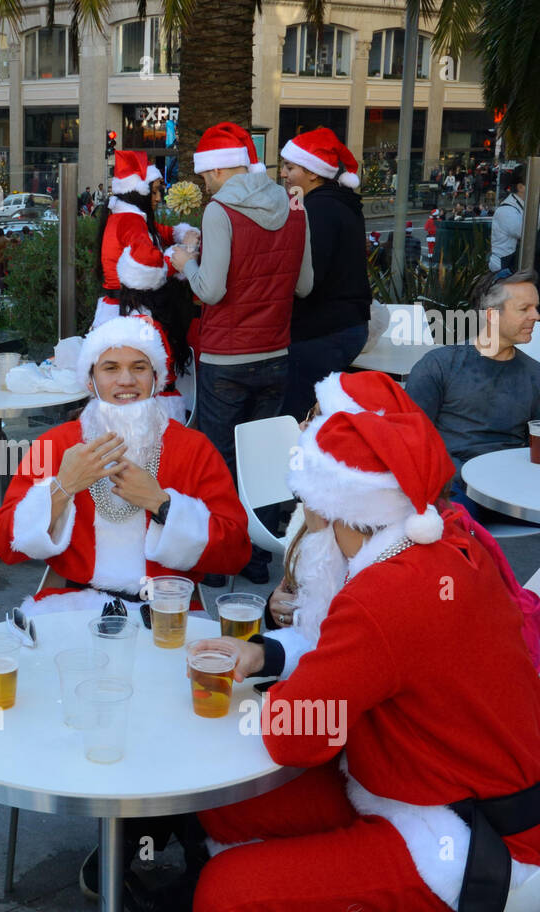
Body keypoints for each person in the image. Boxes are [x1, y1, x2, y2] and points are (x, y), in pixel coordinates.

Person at [187, 407, 540, 912]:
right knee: (225, 805)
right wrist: (275, 655)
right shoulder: (447, 536)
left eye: (307, 502)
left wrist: (284, 691)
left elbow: (295, 735)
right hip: (451, 785)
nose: (305, 519)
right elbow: (370, 666)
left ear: (336, 506)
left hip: (465, 840)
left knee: (225, 894)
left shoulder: (380, 596)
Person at [0, 316, 251, 616]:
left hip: (166, 607)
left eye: (138, 367)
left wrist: (160, 503)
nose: (126, 380)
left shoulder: (194, 448)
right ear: (91, 380)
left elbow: (235, 553)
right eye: (110, 368)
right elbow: (4, 545)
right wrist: (62, 487)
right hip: (73, 604)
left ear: (156, 378)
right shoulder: (57, 443)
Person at [169, 122, 312, 584]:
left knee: (218, 459)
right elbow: (304, 284)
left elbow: (210, 290)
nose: (205, 182)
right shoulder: (294, 204)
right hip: (275, 352)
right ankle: (255, 555)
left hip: (226, 357)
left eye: (207, 173)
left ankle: (216, 556)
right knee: (260, 460)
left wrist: (184, 262)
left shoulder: (219, 210)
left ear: (219, 169)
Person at [405, 269, 540, 560]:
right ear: (492, 314)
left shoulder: (539, 377)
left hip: (510, 489)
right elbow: (409, 440)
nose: (537, 316)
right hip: (455, 489)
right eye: (524, 309)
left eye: (536, 307)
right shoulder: (440, 366)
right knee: (461, 526)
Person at [92, 152, 195, 424]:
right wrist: (179, 259)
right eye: (156, 191)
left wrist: (181, 234)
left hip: (118, 311)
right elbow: (145, 265)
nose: (159, 198)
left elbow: (157, 232)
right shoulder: (131, 220)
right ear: (140, 192)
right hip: (131, 315)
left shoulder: (126, 216)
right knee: (139, 386)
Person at [277, 128, 371, 421]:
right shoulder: (341, 203)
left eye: (290, 167)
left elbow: (307, 275)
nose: (283, 174)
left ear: (314, 173)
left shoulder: (317, 210)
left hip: (321, 331)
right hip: (345, 326)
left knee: (300, 417)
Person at [490, 165, 540, 320]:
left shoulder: (534, 209)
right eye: (537, 183)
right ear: (520, 187)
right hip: (509, 276)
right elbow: (524, 231)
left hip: (534, 275)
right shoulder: (506, 211)